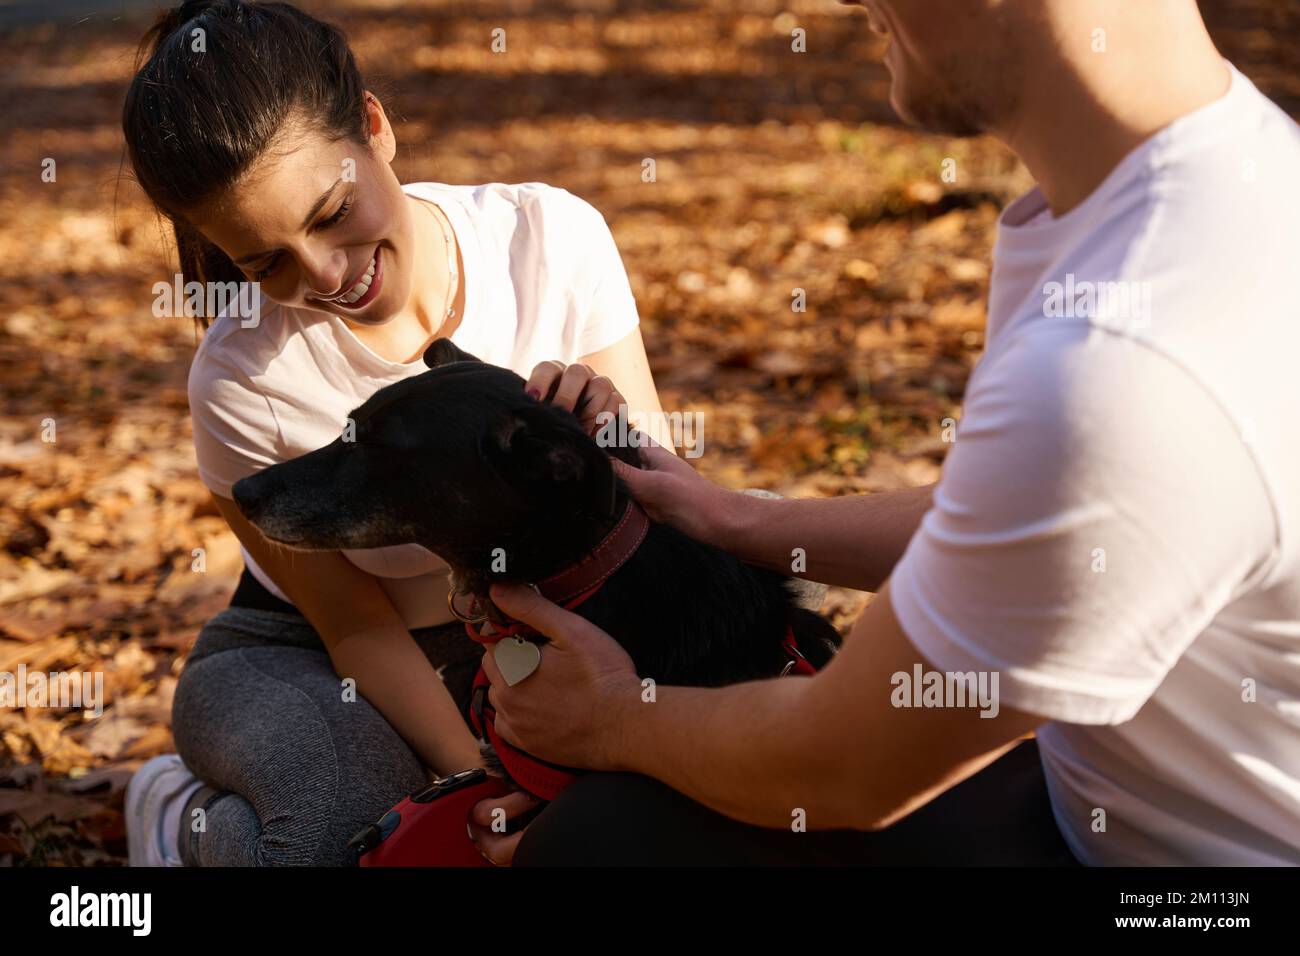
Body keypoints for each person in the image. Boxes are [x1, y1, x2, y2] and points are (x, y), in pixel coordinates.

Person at [472, 0, 1300, 866]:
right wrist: (736, 521)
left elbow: (843, 769)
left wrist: (611, 716)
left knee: (595, 844)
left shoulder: (1124, 361)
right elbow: (1045, 522)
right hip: (1108, 803)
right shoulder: (1225, 172)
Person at [121, 0, 666, 866]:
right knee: (346, 838)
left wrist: (612, 437)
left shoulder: (551, 239)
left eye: (332, 212)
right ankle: (173, 821)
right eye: (265, 264)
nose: (327, 275)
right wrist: (483, 780)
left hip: (533, 631)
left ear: (374, 128)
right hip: (309, 651)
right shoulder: (240, 379)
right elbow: (358, 632)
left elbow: (657, 512)